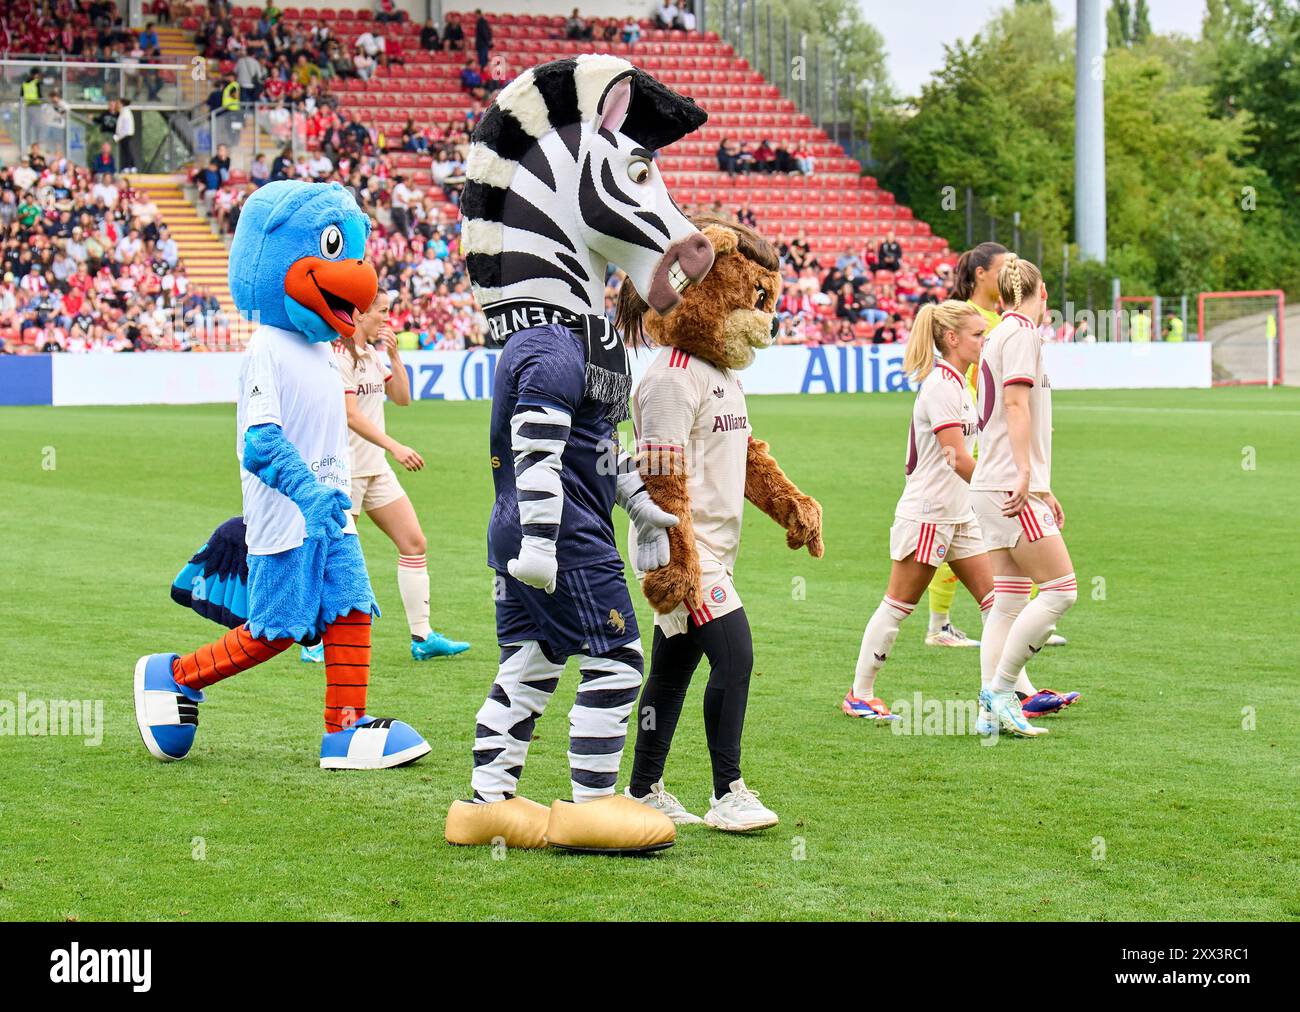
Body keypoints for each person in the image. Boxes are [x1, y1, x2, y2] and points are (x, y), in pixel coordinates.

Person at [842, 301, 993, 720]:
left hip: (957, 513)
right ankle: (859, 692)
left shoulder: (959, 383)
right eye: (978, 334)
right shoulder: (942, 386)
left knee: (995, 603)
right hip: (929, 513)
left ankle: (1016, 691)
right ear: (951, 338)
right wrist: (999, 495)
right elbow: (957, 459)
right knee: (898, 605)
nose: (985, 340)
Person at [301, 290, 470, 664]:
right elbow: (350, 415)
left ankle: (422, 637)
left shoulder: (373, 355)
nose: (387, 318)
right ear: (359, 315)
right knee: (334, 554)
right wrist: (395, 446)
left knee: (414, 542)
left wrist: (394, 355)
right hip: (344, 473)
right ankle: (314, 639)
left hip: (375, 469)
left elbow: (403, 398)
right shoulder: (339, 356)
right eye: (382, 311)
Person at [969, 255, 1079, 736]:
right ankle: (1002, 690)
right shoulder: (1023, 335)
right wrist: (1027, 475)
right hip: (1008, 485)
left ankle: (989, 710)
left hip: (991, 484)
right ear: (1043, 293)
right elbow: (1014, 403)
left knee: (1009, 602)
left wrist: (1042, 483)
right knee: (1061, 591)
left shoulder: (998, 333)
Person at [113, 98, 137, 174]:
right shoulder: (123, 112)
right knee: (125, 151)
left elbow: (125, 128)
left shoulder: (126, 112)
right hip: (123, 136)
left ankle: (130, 167)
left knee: (127, 151)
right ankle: (128, 166)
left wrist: (118, 137)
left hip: (125, 135)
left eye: (118, 103)